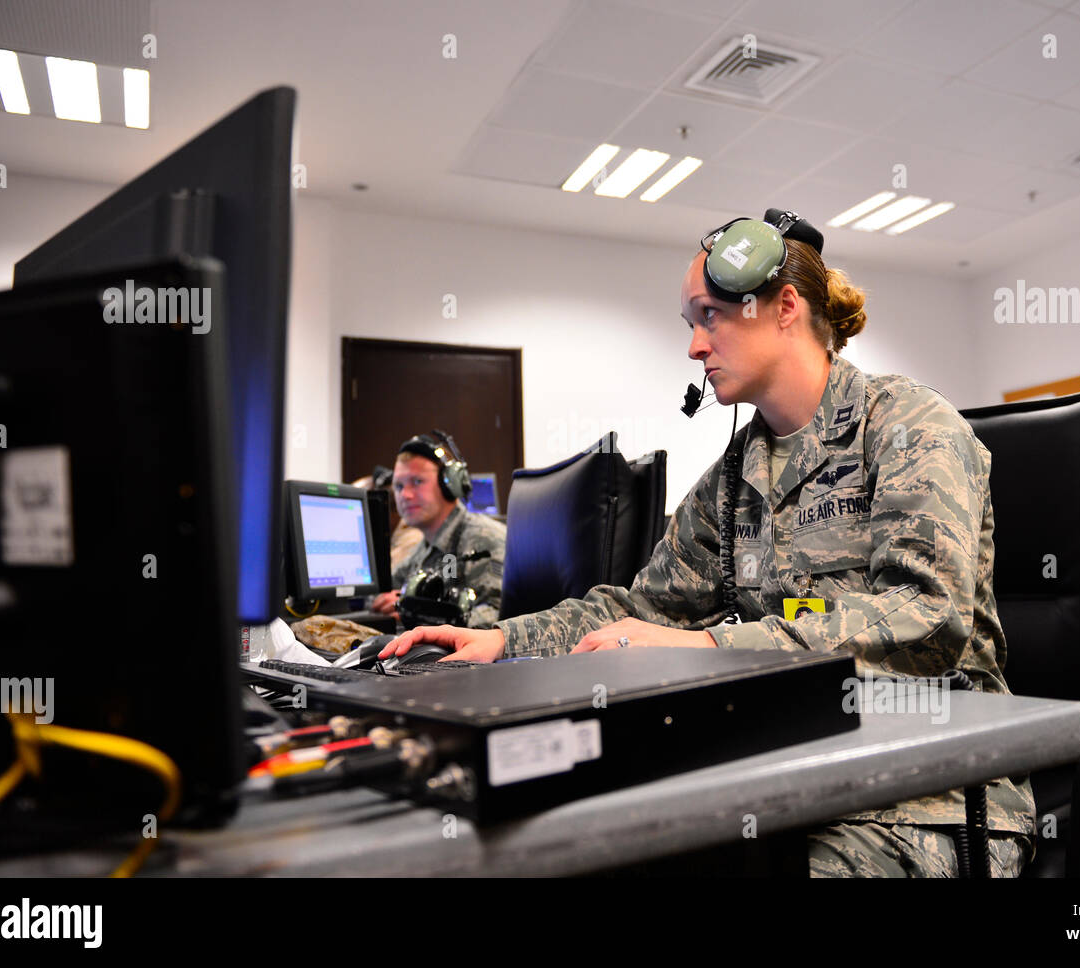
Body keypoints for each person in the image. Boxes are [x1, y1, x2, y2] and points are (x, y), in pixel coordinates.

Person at [382, 210, 1036, 877]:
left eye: (710, 317)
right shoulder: (731, 480)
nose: (695, 347)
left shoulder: (908, 428)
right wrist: (503, 641)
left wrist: (710, 646)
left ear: (784, 307)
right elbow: (643, 609)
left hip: (930, 789)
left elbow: (927, 620)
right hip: (787, 766)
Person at [369, 430, 506, 630]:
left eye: (417, 482)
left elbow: (500, 615)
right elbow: (381, 592)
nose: (404, 495)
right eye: (398, 486)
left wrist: (422, 614)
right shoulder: (425, 548)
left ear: (449, 485)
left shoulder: (483, 539)